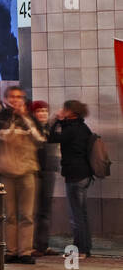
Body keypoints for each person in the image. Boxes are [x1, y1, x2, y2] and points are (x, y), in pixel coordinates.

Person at [0, 85, 44, 263]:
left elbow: (41, 140)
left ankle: (25, 251)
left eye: (19, 97)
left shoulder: (30, 119)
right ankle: (10, 251)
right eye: (12, 96)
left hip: (27, 170)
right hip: (5, 171)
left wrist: (25, 118)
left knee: (27, 215)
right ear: (5, 99)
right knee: (8, 215)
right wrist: (13, 123)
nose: (15, 100)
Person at [48, 100, 93, 258]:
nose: (61, 110)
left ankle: (80, 250)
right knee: (82, 214)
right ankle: (86, 248)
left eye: (64, 109)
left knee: (76, 215)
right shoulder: (83, 127)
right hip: (85, 174)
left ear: (71, 112)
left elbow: (51, 137)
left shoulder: (72, 129)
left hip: (75, 175)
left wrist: (56, 121)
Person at [30, 100, 57, 256]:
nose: (42, 114)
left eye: (45, 111)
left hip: (48, 172)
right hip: (34, 172)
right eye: (39, 111)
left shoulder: (50, 129)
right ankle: (31, 245)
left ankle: (43, 244)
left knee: (46, 210)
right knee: (33, 210)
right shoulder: (31, 129)